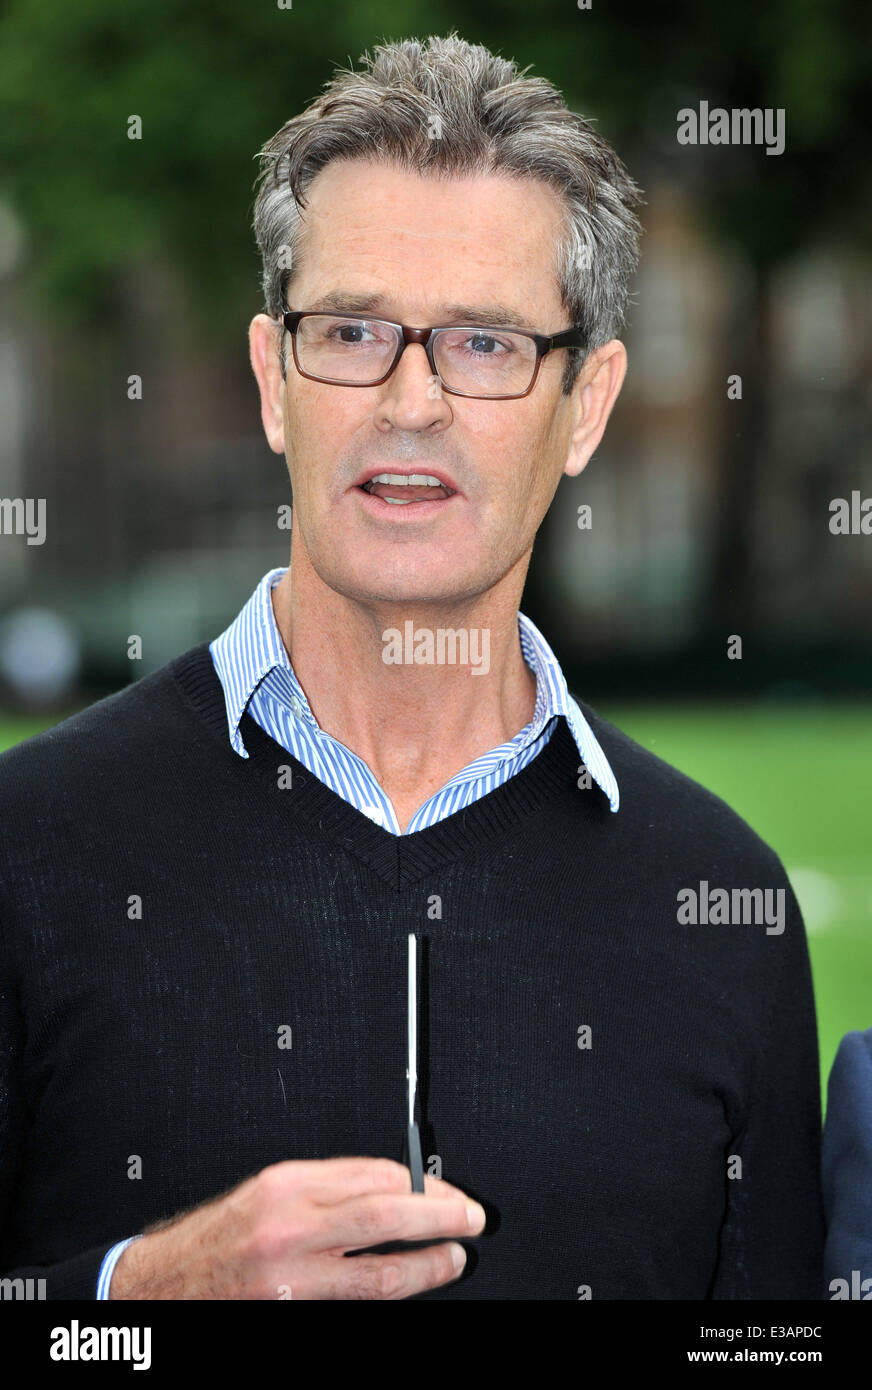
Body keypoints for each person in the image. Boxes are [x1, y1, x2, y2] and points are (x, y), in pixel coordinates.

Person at [0, 32, 823, 1301]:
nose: (411, 400)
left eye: (485, 345)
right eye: (353, 330)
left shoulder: (721, 900)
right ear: (276, 381)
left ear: (587, 406)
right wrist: (136, 1299)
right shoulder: (27, 849)